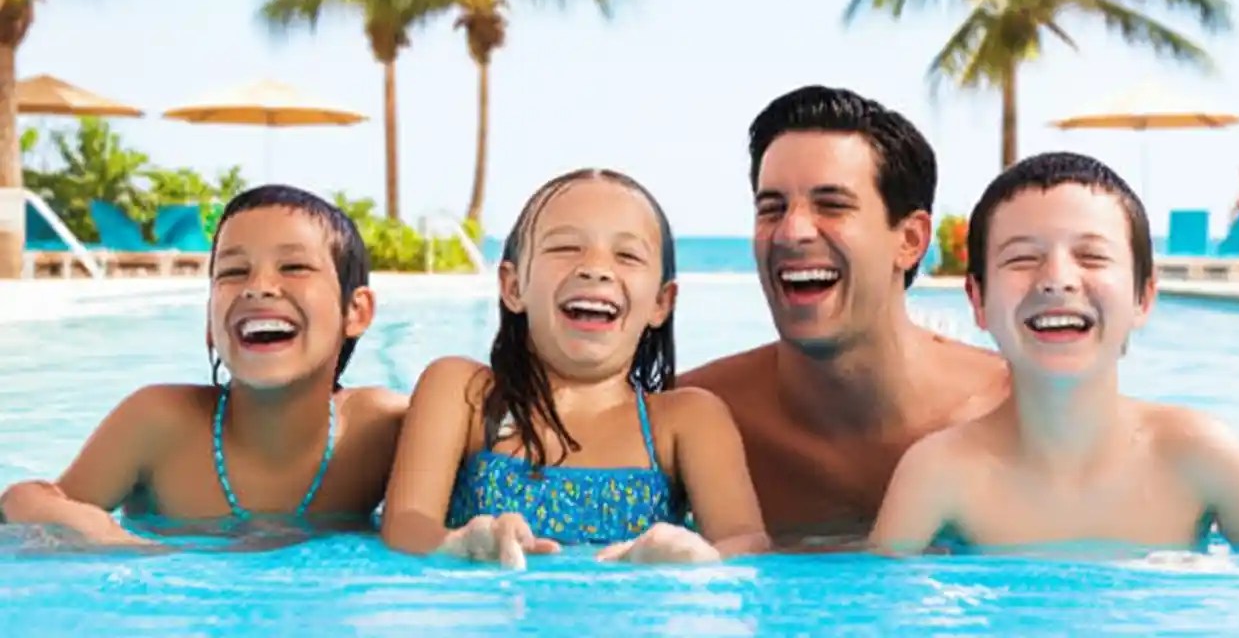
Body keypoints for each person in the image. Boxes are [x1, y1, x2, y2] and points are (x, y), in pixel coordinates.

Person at [870, 152, 1239, 555]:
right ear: (977, 300)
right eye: (1022, 258)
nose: (1058, 280)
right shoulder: (940, 473)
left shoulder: (1200, 456)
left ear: (1143, 296)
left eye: (1092, 257)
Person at [380, 168, 767, 568]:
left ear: (661, 302)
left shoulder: (685, 421)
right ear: (513, 287)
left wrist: (689, 556)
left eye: (628, 255)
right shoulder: (465, 393)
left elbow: (745, 542)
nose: (595, 268)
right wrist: (457, 544)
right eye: (565, 247)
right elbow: (406, 525)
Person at [677, 85, 1009, 544]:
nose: (791, 232)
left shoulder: (1008, 413)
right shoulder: (696, 423)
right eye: (771, 208)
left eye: (832, 205)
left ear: (910, 240)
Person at [0, 185, 408, 547]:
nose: (258, 286)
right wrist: (106, 535)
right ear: (211, 326)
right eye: (233, 271)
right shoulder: (160, 423)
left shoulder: (379, 429)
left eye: (294, 267)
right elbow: (26, 502)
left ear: (356, 312)